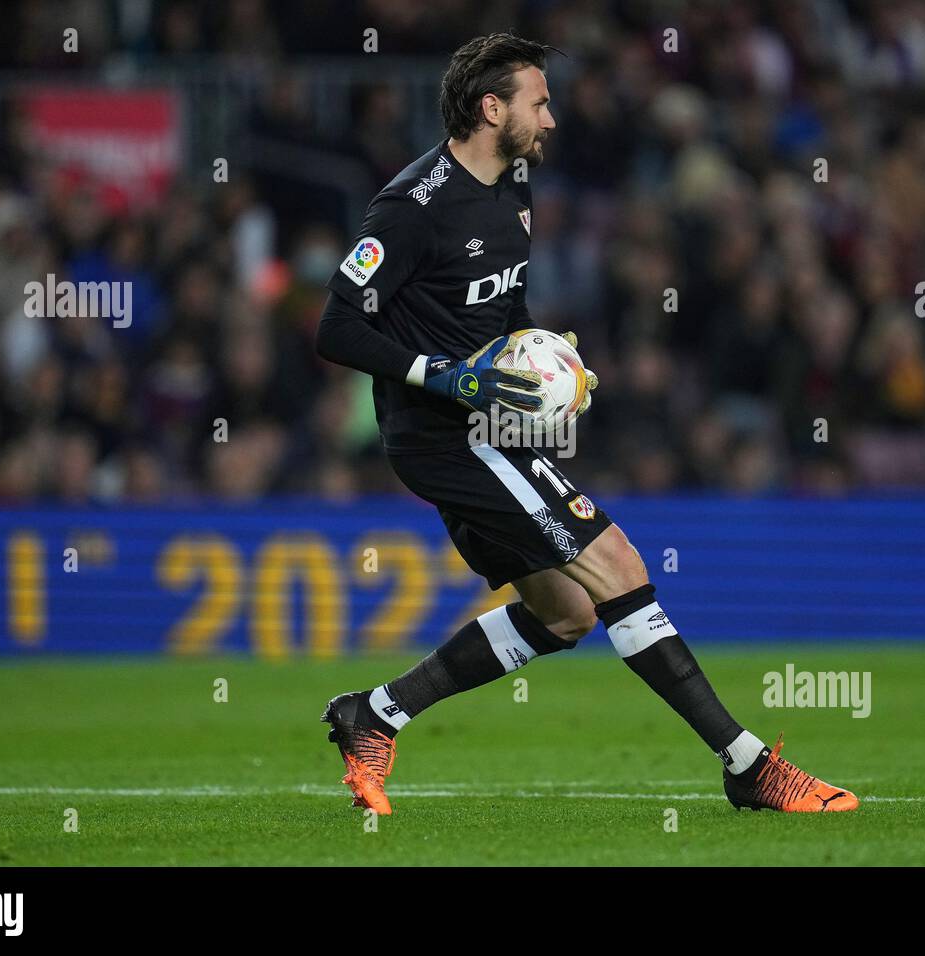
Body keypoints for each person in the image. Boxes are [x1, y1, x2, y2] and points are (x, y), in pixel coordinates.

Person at [315, 32, 858, 815]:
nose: (553, 118)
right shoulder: (411, 207)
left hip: (490, 424)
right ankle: (748, 765)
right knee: (619, 567)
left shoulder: (516, 190)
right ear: (489, 107)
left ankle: (375, 713)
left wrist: (550, 363)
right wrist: (443, 374)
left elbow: (503, 314)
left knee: (565, 614)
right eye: (539, 101)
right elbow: (336, 328)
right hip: (444, 434)